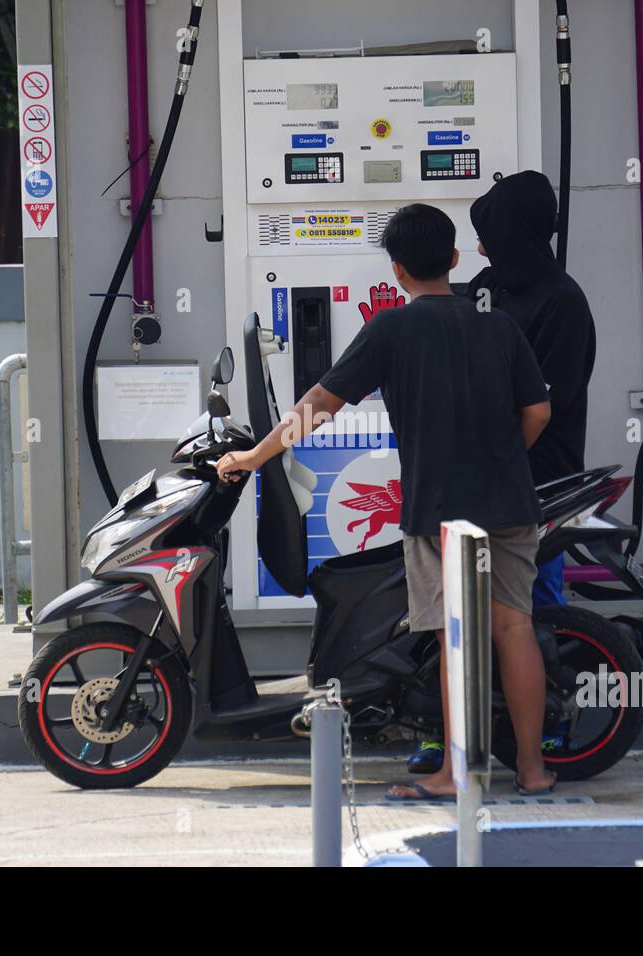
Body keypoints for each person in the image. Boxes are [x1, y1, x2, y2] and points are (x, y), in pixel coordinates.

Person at [216, 203, 558, 799]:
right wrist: (504, 460)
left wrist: (253, 458)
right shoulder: (497, 323)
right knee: (513, 627)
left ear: (397, 271)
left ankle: (456, 774)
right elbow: (539, 411)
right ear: (454, 259)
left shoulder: (390, 329)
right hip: (509, 504)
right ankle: (532, 770)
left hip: (438, 510)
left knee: (459, 634)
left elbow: (318, 407)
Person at [407, 170, 598, 775]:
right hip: (474, 477)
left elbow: (545, 404)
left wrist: (497, 459)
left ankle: (542, 738)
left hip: (538, 481)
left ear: (514, 234)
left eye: (489, 233)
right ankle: (444, 731)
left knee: (530, 613)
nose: (481, 246)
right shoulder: (489, 286)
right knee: (448, 616)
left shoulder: (563, 303)